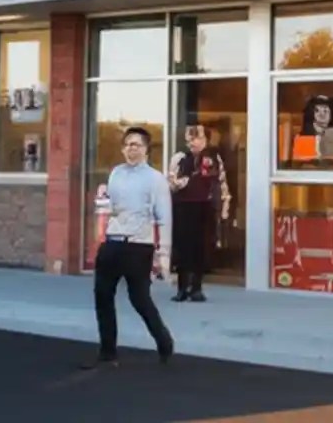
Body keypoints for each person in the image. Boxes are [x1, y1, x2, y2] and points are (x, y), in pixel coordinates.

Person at [81, 126, 174, 369]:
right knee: (102, 295)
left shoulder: (155, 179)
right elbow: (110, 206)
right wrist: (103, 198)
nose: (131, 149)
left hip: (138, 246)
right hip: (112, 241)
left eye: (137, 145)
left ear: (146, 149)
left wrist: (163, 254)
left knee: (139, 299)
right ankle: (108, 352)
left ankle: (164, 342)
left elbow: (164, 218)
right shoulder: (116, 173)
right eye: (128, 144)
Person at [168, 124, 229, 302]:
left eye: (195, 139)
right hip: (183, 207)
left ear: (205, 140)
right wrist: (176, 184)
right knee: (182, 247)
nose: (191, 143)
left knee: (201, 248)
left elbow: (219, 180)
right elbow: (171, 180)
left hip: (204, 206)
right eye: (189, 140)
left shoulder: (212, 158)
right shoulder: (180, 158)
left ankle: (196, 287)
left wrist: (224, 207)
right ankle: (181, 288)